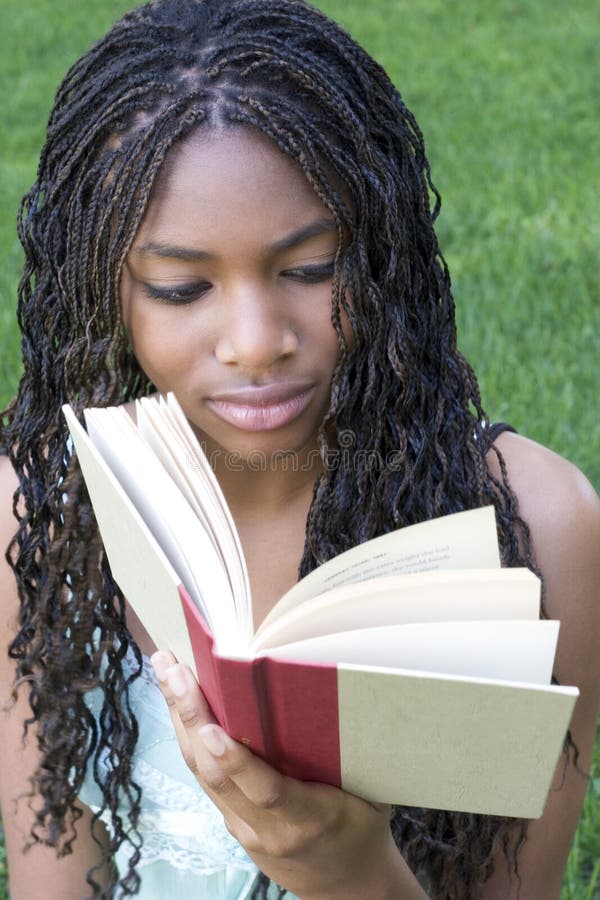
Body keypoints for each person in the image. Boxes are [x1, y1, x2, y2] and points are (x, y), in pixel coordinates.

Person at [0, 0, 598, 897]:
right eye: (181, 286)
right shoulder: (40, 512)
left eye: (312, 270)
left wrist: (349, 870)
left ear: (384, 254)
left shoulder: (539, 532)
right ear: (103, 291)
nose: (255, 340)